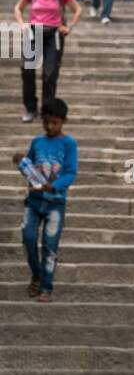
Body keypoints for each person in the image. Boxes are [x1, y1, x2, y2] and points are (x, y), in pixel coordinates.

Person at [12, 97, 78, 302]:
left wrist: (53, 186)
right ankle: (37, 273)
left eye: (55, 123)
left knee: (50, 246)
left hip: (55, 203)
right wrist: (20, 161)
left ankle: (46, 287)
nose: (50, 126)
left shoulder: (69, 144)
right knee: (28, 237)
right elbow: (30, 167)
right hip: (33, 201)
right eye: (46, 122)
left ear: (63, 121)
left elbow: (70, 173)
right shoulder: (37, 142)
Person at [14, 0, 81, 122]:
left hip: (54, 35)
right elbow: (18, 7)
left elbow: (77, 9)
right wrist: (22, 24)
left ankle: (47, 109)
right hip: (34, 32)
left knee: (49, 74)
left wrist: (69, 26)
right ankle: (31, 108)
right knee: (27, 70)